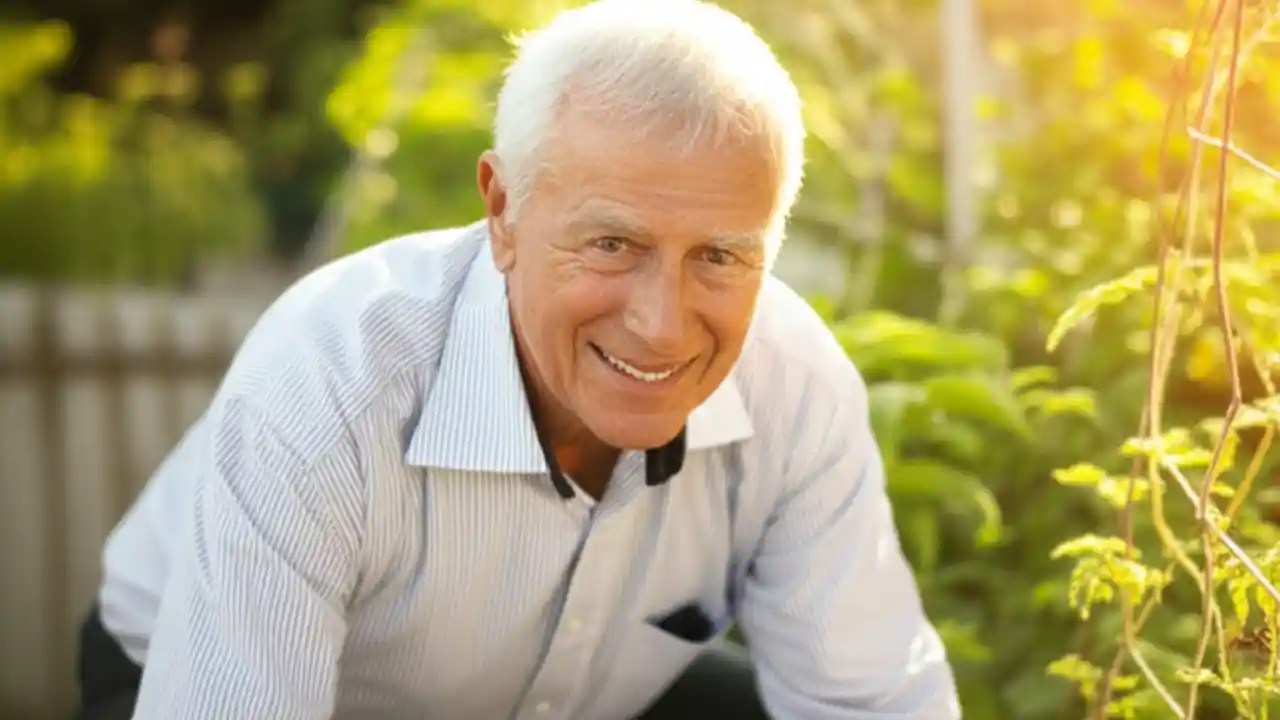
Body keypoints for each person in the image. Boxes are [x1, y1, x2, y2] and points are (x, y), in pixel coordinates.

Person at [76, 1, 961, 718]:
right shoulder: (330, 380)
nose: (662, 325)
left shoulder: (796, 385)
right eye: (613, 243)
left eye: (720, 257)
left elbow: (873, 700)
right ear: (503, 211)